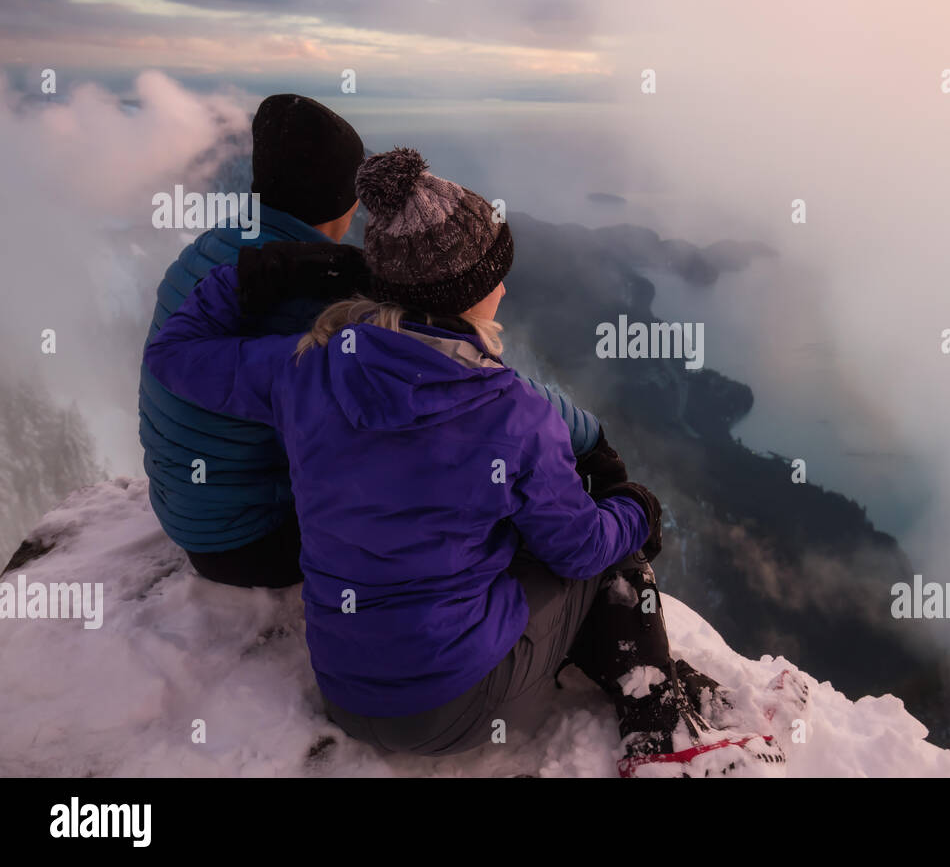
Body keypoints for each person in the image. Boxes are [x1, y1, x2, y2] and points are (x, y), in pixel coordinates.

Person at [144, 147, 784, 776]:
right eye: (492, 276)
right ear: (465, 294)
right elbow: (580, 551)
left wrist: (258, 271)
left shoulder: (306, 366)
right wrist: (638, 509)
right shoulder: (512, 414)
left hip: (345, 690)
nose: (503, 287)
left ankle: (649, 687)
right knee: (611, 550)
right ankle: (661, 734)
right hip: (455, 709)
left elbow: (174, 354)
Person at [139, 96, 598, 589]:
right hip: (258, 540)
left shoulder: (209, 253)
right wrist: (587, 435)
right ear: (350, 200)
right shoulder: (329, 313)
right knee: (491, 506)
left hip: (188, 517)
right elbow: (462, 385)